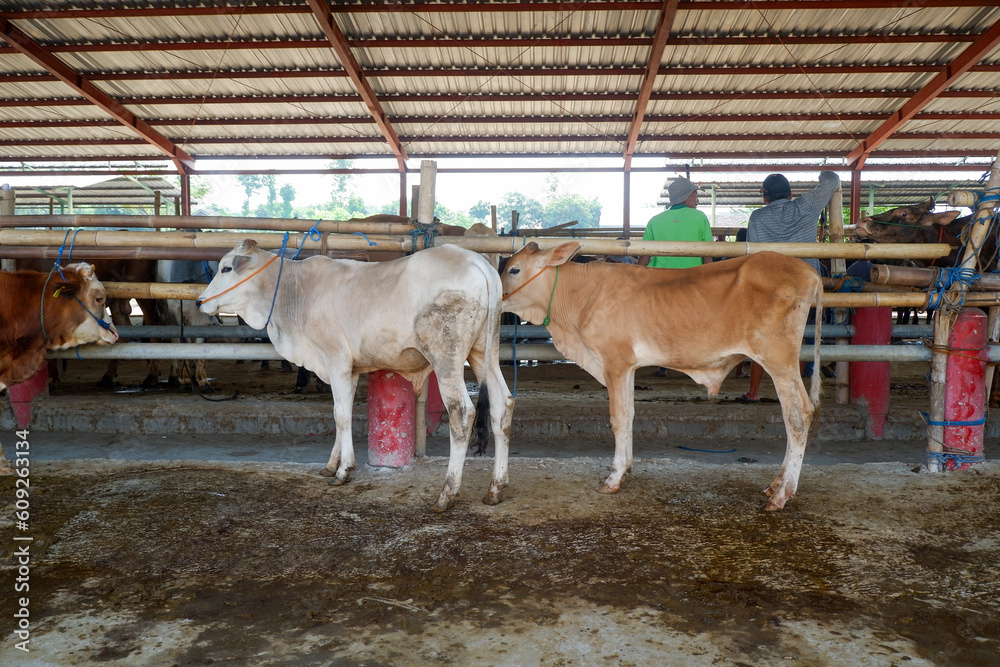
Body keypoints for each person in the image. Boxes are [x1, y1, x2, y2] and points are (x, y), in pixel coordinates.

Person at [738, 170, 841, 403]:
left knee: (763, 336)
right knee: (799, 337)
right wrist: (822, 174)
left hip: (771, 287)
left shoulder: (757, 217)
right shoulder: (807, 205)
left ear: (765, 197)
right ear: (791, 193)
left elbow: (754, 254)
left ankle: (753, 392)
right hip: (804, 284)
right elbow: (832, 179)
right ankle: (795, 391)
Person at [641, 176, 714, 376]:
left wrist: (636, 279)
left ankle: (663, 364)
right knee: (692, 322)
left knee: (663, 322)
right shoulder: (699, 218)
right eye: (696, 194)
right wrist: (712, 279)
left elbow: (644, 255)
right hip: (692, 282)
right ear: (687, 196)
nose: (697, 199)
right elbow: (707, 253)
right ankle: (693, 364)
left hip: (660, 283)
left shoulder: (654, 221)